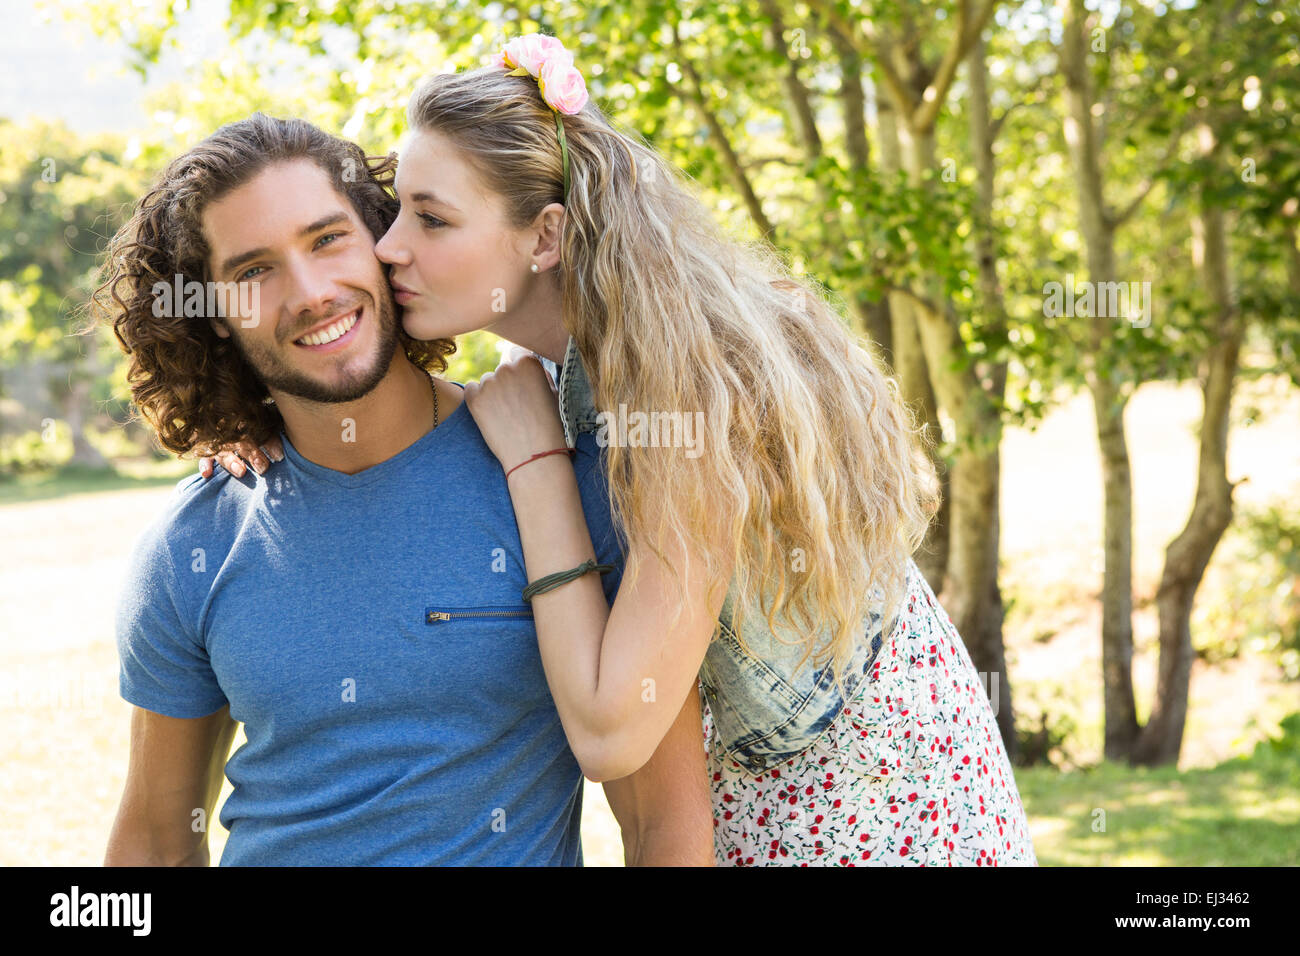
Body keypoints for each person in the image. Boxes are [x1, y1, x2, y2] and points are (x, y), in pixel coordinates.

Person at [213, 33, 1038, 866]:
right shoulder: (588, 365)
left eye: (430, 219)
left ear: (544, 239)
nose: (390, 247)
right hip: (772, 804)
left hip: (877, 820)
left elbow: (612, 730)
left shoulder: (688, 395)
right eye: (397, 215)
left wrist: (535, 467)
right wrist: (257, 422)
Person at [94, 112, 714, 866]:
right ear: (213, 315)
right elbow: (156, 842)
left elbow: (666, 829)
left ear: (385, 243)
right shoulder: (192, 546)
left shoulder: (558, 481)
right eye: (254, 272)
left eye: (328, 239)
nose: (312, 292)